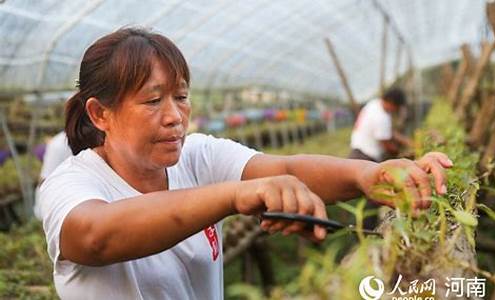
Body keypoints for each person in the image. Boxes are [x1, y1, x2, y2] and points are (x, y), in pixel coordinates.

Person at [38, 28, 452, 299]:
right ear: (99, 114)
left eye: (180, 97)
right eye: (152, 100)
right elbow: (95, 236)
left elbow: (285, 167)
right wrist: (236, 195)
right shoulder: (70, 185)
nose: (174, 116)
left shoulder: (197, 156)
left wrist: (367, 175)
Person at [349, 88, 412, 162]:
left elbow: (390, 132)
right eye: (397, 107)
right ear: (391, 103)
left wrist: (408, 142)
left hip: (357, 148)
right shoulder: (381, 117)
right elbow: (386, 144)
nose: (396, 110)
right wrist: (402, 154)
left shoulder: (374, 103)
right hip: (365, 157)